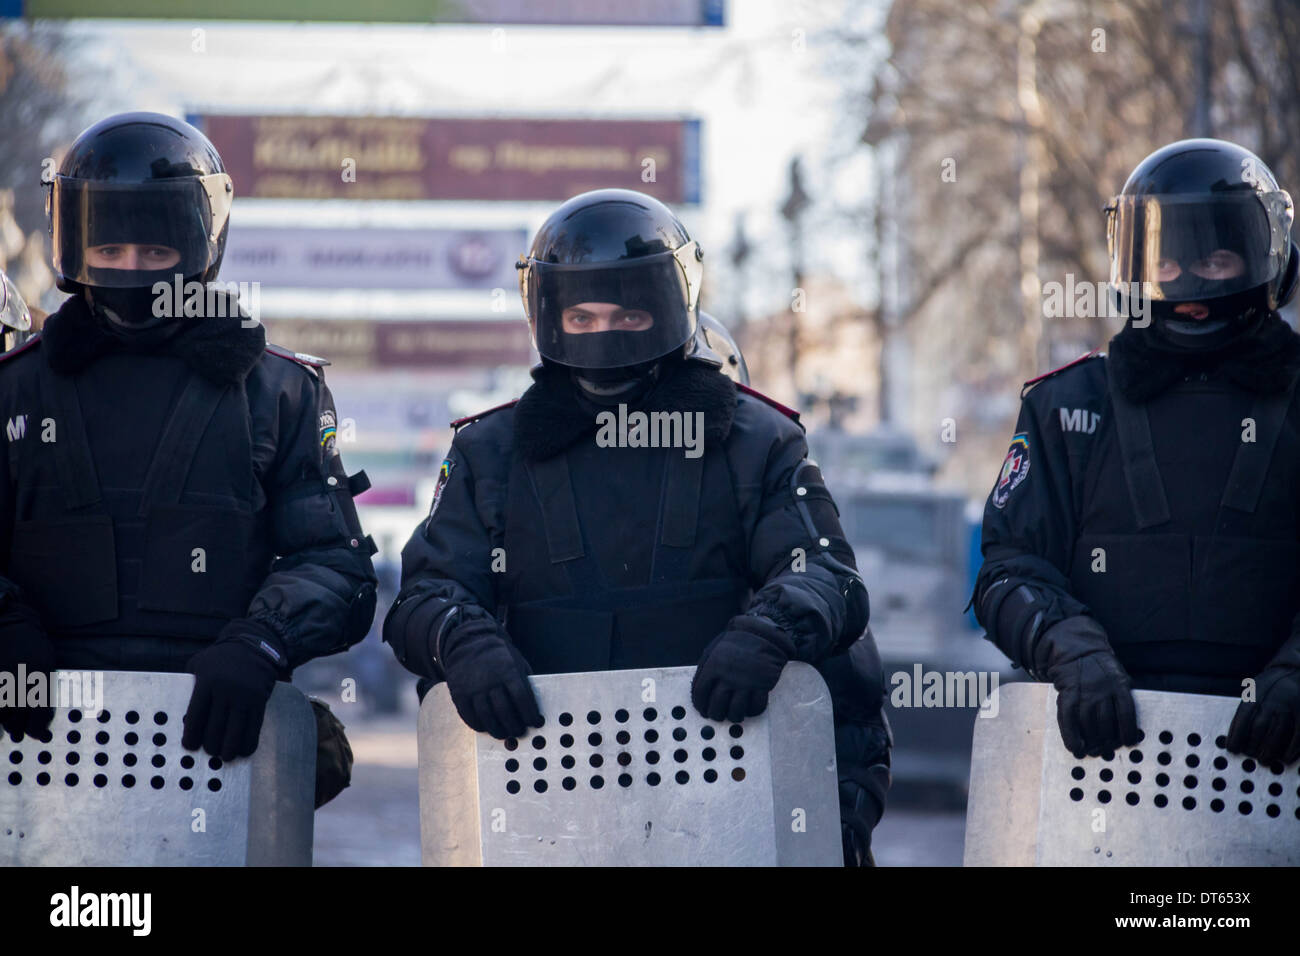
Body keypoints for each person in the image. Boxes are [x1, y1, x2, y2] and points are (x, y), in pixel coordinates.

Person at [385, 188, 890, 864]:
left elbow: (830, 578)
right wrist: (461, 640)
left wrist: (771, 630)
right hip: (540, 803)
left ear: (670, 306)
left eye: (628, 312)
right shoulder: (490, 450)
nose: (605, 332)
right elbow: (424, 594)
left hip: (729, 799)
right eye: (583, 314)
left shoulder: (757, 439)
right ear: (550, 314)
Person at [0, 112, 377, 777]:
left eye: (155, 253)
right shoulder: (16, 388)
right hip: (40, 749)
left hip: (217, 739)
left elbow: (335, 565)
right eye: (109, 252)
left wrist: (263, 643)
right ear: (75, 249)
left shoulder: (280, 391)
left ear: (198, 249)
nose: (131, 271)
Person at [973, 138, 1300, 766]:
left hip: (1277, 765)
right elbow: (1008, 567)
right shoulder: (1068, 406)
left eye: (1219, 259)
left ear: (1266, 257)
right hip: (1102, 760)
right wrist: (1071, 652)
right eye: (1168, 265)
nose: (1191, 285)